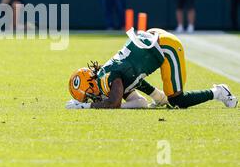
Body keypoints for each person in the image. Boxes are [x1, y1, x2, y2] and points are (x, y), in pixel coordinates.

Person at [66, 28, 237, 109]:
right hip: (152, 40)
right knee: (164, 98)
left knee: (178, 100)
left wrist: (84, 108)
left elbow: (114, 103)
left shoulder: (108, 78)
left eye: (88, 97)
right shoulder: (108, 76)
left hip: (165, 47)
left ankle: (219, 91)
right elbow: (138, 98)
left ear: (92, 84)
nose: (91, 100)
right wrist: (157, 97)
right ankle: (161, 98)